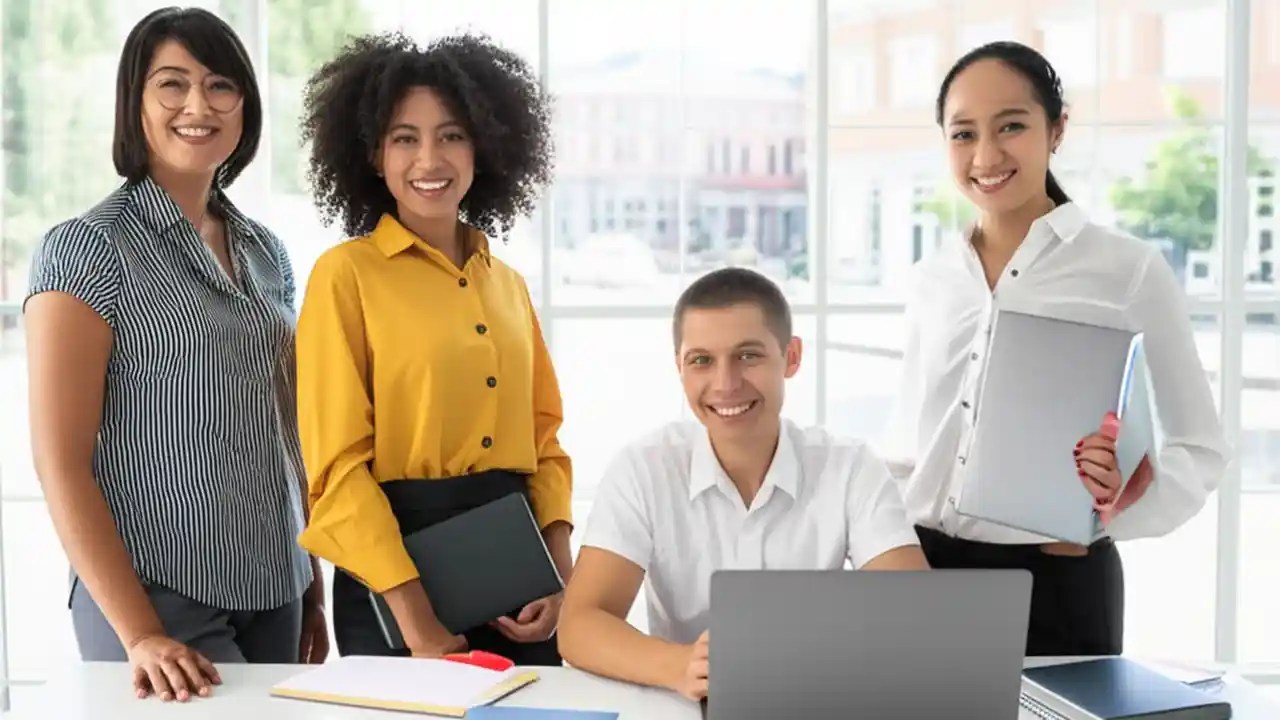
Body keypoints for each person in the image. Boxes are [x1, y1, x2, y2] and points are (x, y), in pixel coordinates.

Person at [885, 41, 1228, 656]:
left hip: (1060, 581)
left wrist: (1110, 512)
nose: (986, 155)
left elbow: (1199, 449)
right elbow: (908, 452)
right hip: (923, 573)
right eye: (963, 134)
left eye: (1011, 126)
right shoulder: (932, 278)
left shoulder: (1127, 271)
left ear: (1057, 128)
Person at [23, 6, 324, 704]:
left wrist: (314, 586)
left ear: (244, 105)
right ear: (135, 101)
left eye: (221, 85)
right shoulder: (87, 248)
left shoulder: (265, 250)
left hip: (278, 590)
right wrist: (139, 634)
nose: (199, 105)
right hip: (158, 596)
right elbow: (59, 460)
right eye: (172, 84)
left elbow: (289, 435)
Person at [294, 32, 571, 665]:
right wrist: (419, 626)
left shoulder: (507, 285)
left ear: (483, 147)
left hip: (519, 582)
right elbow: (336, 471)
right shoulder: (346, 277)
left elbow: (545, 443)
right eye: (404, 138)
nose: (430, 159)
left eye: (451, 135)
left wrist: (559, 578)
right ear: (372, 154)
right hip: (398, 591)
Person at [558, 267, 929, 702]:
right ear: (679, 367)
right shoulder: (644, 468)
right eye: (702, 361)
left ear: (791, 357)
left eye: (748, 355)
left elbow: (913, 614)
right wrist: (679, 665)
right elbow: (580, 625)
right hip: (688, 708)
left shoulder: (850, 466)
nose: (726, 384)